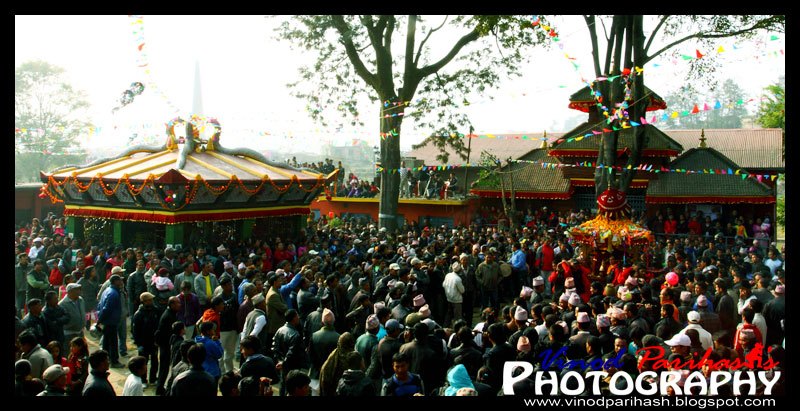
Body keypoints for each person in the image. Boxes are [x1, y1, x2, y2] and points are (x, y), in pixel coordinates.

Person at [272, 309, 308, 396]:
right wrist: (284, 362)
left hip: (282, 365)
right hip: (292, 366)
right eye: (297, 316)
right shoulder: (295, 335)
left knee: (283, 384)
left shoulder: (279, 330)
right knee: (291, 387)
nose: (298, 318)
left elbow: (274, 347)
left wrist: (279, 361)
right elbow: (292, 353)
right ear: (294, 318)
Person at [96, 274, 125, 368]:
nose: (121, 282)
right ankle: (114, 361)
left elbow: (100, 305)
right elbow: (106, 309)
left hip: (108, 321)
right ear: (115, 282)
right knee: (113, 342)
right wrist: (99, 320)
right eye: (120, 280)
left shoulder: (108, 290)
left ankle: (105, 359)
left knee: (106, 342)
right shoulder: (113, 293)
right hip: (110, 321)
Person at [132, 292, 160, 385]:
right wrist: (138, 344)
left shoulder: (155, 310)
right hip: (143, 343)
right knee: (143, 362)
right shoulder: (138, 314)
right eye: (149, 300)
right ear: (144, 301)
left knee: (155, 361)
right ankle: (143, 380)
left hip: (154, 342)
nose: (151, 301)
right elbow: (135, 331)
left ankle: (153, 379)